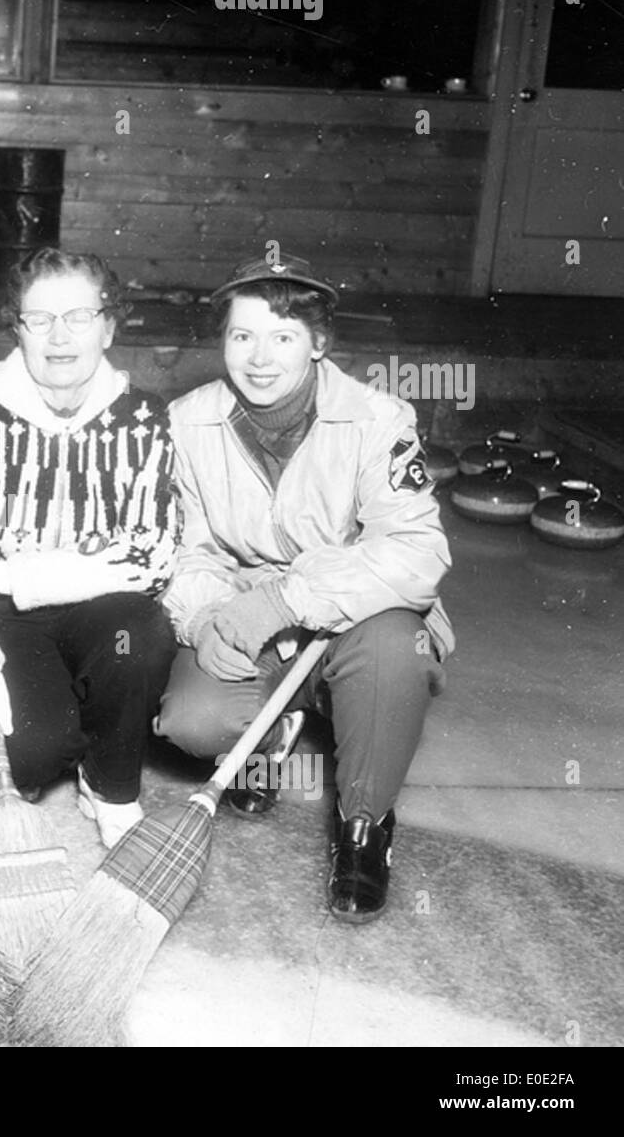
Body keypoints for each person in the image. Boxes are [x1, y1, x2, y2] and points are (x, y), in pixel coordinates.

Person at [154, 252, 454, 923]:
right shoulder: (184, 423)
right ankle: (267, 734)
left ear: (318, 343)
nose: (260, 358)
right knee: (192, 721)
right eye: (242, 336)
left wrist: (287, 601)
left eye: (283, 336)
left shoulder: (379, 419)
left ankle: (364, 826)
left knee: (393, 655)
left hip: (359, 612)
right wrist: (205, 620)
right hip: (242, 605)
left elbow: (417, 551)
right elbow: (184, 549)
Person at [0, 248, 179, 847]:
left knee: (137, 638)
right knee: (32, 756)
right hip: (4, 614)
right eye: (40, 319)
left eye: (80, 317)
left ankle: (112, 786)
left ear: (109, 326)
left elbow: (153, 558)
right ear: (17, 328)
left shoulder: (144, 418)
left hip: (101, 607)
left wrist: (18, 575)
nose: (59, 338)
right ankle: (63, 726)